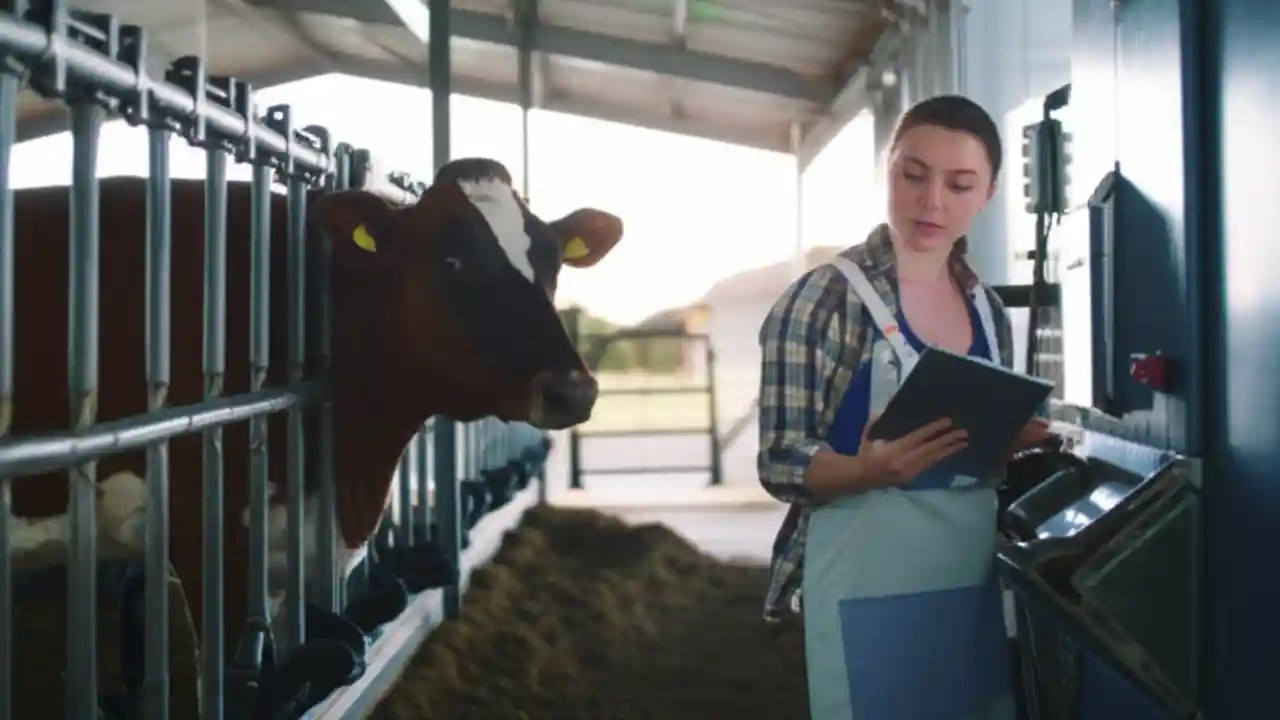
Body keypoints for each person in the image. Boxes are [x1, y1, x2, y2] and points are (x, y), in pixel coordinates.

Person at [756, 94, 1052, 720]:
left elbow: (974, 452)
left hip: (965, 584)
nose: (932, 201)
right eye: (912, 175)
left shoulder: (989, 312)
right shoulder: (824, 299)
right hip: (862, 584)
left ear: (989, 193)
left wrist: (1005, 439)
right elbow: (781, 461)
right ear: (886, 172)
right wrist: (867, 470)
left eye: (959, 183)